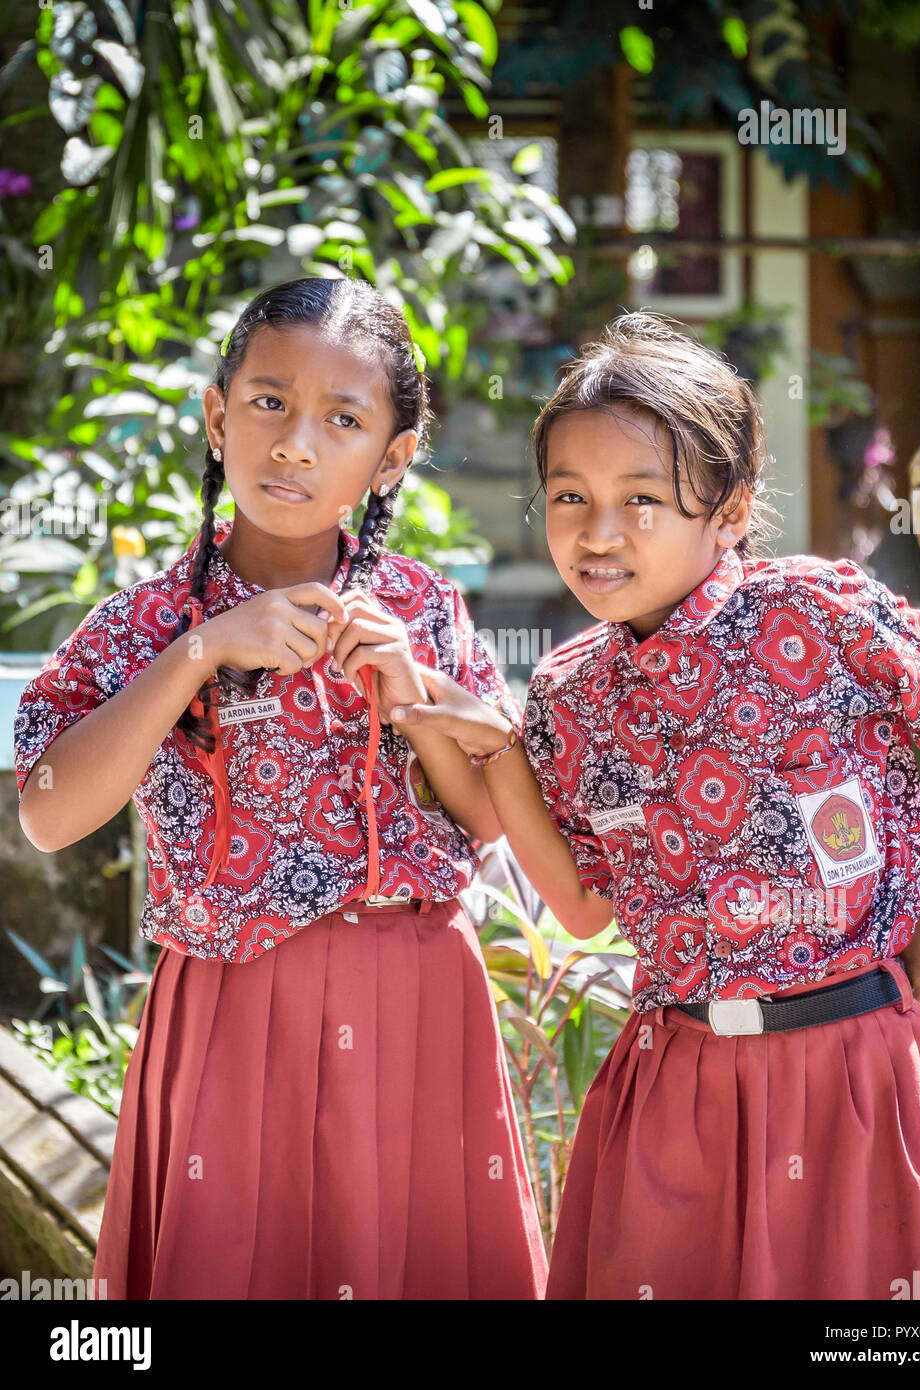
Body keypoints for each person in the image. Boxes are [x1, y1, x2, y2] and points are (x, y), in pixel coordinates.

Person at [385, 311, 920, 1300]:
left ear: (729, 510)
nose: (597, 530)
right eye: (569, 497)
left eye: (641, 499)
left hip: (855, 1073)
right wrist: (496, 746)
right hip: (674, 1088)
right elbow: (583, 908)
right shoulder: (568, 693)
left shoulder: (815, 611)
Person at [14, 276, 547, 1301]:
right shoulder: (143, 625)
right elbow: (46, 812)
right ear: (217, 417)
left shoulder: (422, 610)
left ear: (390, 458)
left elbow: (488, 817)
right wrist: (201, 652)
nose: (295, 442)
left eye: (341, 419)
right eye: (267, 402)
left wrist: (414, 692)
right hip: (230, 1003)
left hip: (423, 993)